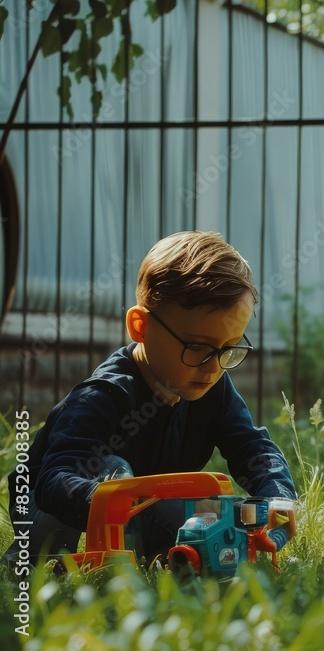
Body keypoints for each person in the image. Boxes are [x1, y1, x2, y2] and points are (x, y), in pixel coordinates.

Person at [4, 231, 297, 566]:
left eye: (228, 349)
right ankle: (32, 560)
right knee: (116, 471)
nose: (214, 367)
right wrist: (117, 503)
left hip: (144, 502)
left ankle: (163, 555)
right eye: (197, 347)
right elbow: (55, 478)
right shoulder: (104, 395)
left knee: (213, 508)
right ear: (140, 326)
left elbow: (253, 449)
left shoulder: (213, 387)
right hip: (49, 504)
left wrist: (277, 498)